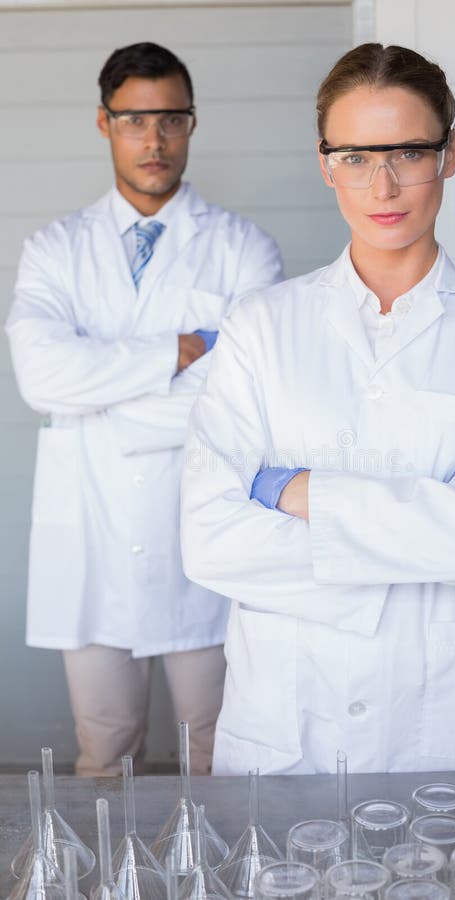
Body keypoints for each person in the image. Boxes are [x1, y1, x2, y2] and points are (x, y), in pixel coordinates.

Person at [180, 43, 455, 775]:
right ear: (325, 163)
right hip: (284, 726)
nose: (383, 185)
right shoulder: (261, 326)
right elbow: (210, 540)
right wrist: (423, 545)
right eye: (356, 157)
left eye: (409, 152)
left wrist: (303, 493)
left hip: (439, 729)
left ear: (450, 154)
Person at [6, 42, 282, 776]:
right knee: (104, 747)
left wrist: (96, 406)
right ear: (104, 123)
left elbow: (244, 401)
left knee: (219, 746)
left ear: (192, 123)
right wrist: (177, 349)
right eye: (134, 120)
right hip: (89, 540)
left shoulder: (243, 250)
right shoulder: (54, 250)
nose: (154, 139)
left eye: (170, 119)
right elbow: (41, 377)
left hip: (202, 539)